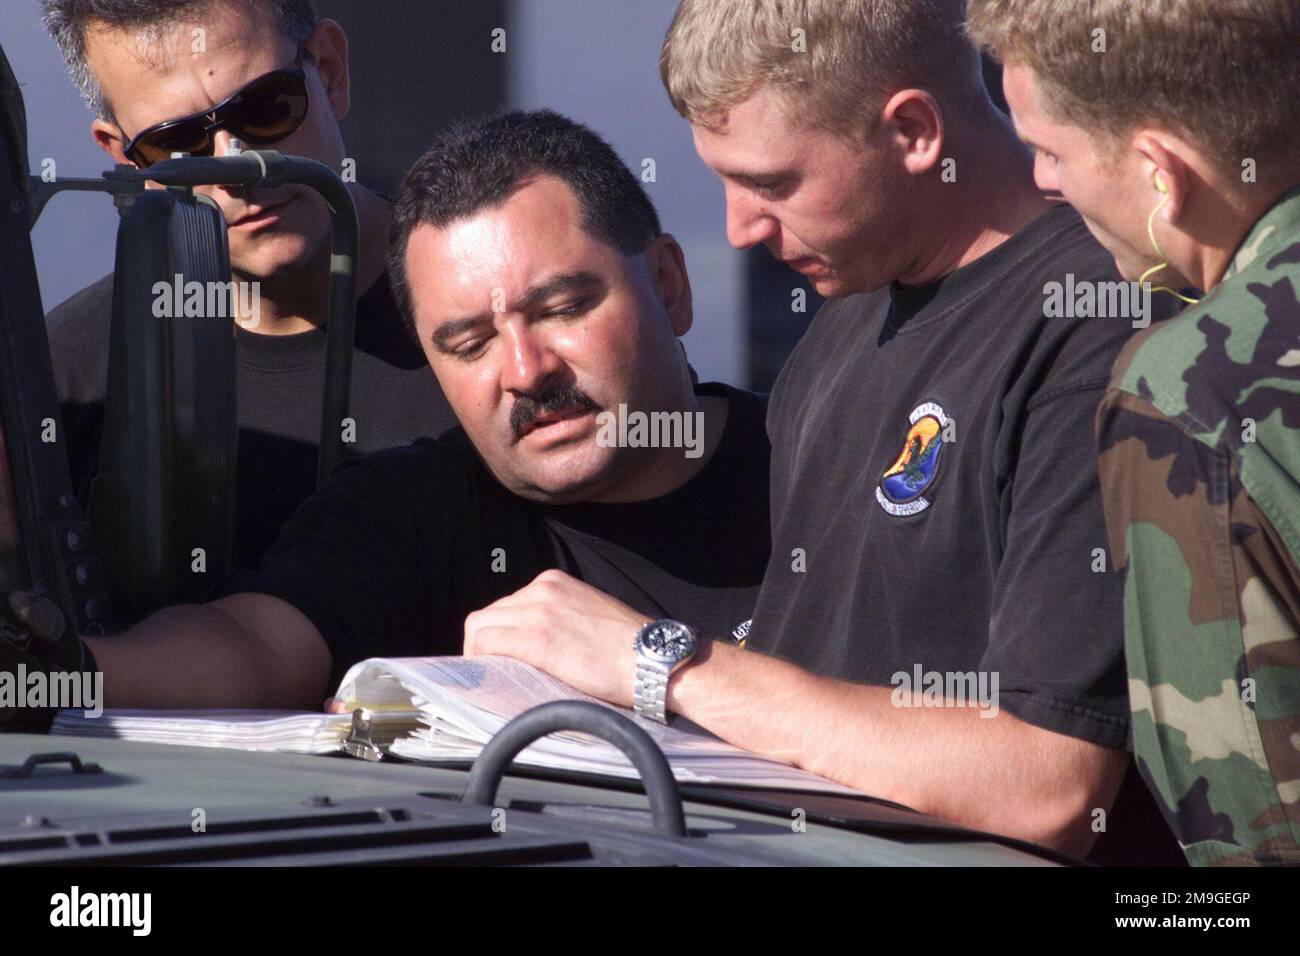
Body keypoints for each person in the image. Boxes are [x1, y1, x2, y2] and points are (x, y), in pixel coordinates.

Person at [465, 0, 1181, 862]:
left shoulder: (1101, 325)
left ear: (914, 130)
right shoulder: (843, 320)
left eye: (770, 183)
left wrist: (661, 663)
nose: (740, 227)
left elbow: (1047, 782)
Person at [2, 109, 770, 716]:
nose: (527, 370)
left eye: (564, 307)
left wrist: (655, 663)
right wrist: (61, 670)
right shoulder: (409, 510)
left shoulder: (826, 461)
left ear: (670, 285)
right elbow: (257, 646)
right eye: (469, 345)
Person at [967, 0, 1300, 866]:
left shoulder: (1189, 391)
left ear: (1159, 170)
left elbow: (1253, 828)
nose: (1041, 179)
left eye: (1049, 149)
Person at [40, 0, 457, 575]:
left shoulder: (498, 319)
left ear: (330, 71)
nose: (236, 170)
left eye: (266, 108)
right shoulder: (66, 378)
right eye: (177, 141)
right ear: (125, 159)